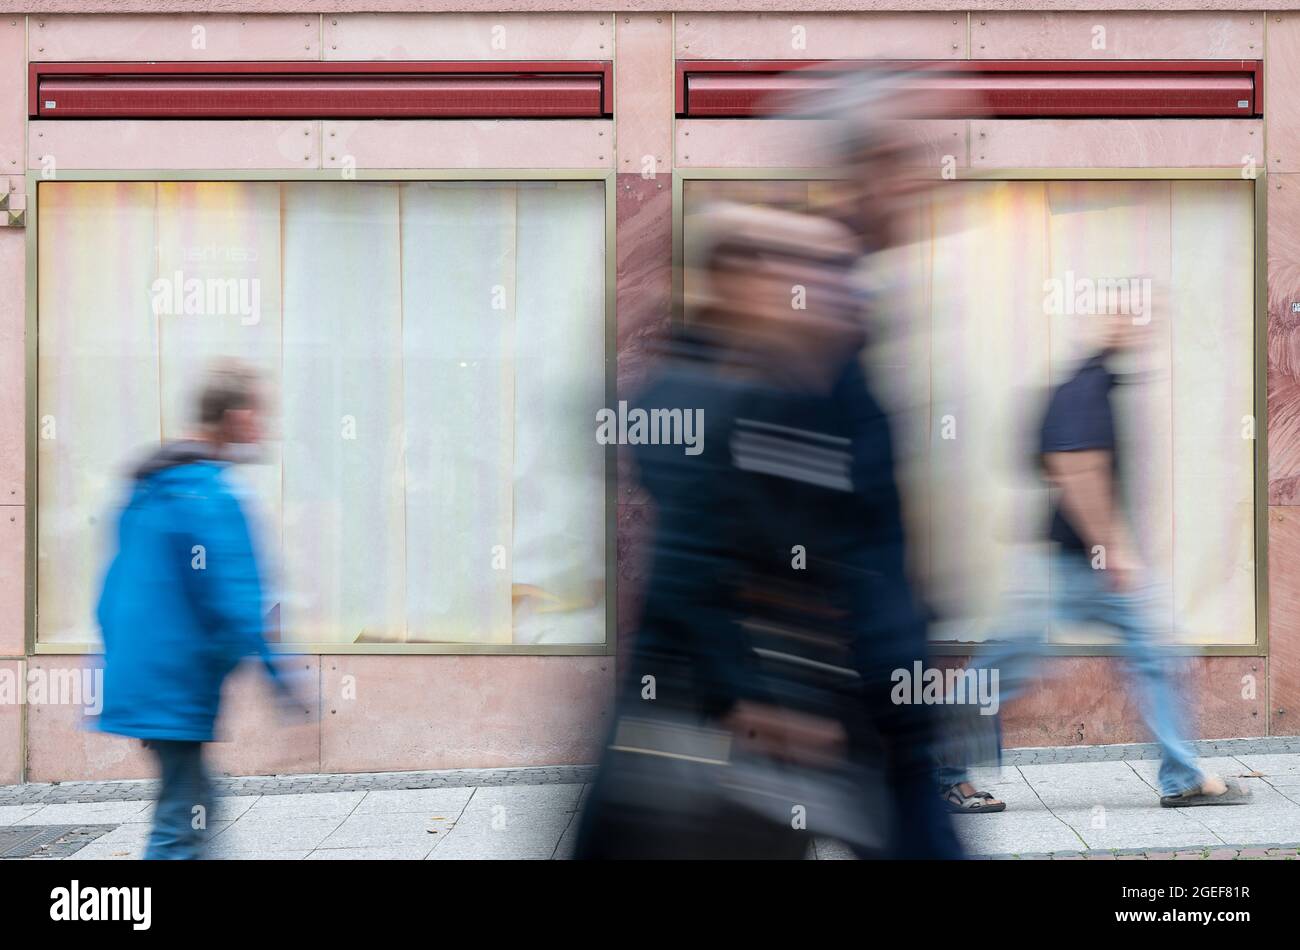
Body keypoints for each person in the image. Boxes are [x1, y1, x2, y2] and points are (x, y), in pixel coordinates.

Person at [575, 203, 961, 859]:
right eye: (813, 267)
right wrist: (751, 702)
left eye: (842, 267)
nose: (836, 286)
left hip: (806, 708)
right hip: (711, 722)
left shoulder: (805, 391)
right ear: (742, 279)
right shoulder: (696, 396)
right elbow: (687, 567)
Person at [937, 313, 1253, 810]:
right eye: (1125, 314)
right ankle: (936, 771)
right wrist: (1113, 549)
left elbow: (1042, 460)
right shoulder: (1084, 388)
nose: (1140, 324)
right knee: (1004, 670)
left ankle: (1182, 775)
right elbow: (1073, 466)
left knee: (1151, 658)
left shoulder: (1092, 385)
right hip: (1073, 566)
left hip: (1072, 564)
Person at [96, 361, 304, 859]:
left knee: (193, 806)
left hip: (146, 678)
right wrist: (284, 683)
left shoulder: (148, 488)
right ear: (234, 416)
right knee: (180, 825)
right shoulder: (210, 495)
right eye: (258, 412)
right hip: (174, 683)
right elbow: (239, 602)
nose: (264, 424)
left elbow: (111, 595)